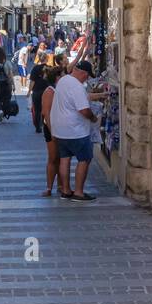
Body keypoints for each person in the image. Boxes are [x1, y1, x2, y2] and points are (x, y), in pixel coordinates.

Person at [50, 59, 99, 202]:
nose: (87, 78)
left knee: (65, 159)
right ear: (82, 73)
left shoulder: (63, 80)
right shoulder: (77, 87)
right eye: (87, 75)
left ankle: (65, 190)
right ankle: (78, 192)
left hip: (60, 130)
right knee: (85, 159)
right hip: (76, 131)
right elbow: (84, 110)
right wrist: (93, 118)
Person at [39, 64, 63, 196]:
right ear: (57, 77)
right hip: (52, 128)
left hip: (61, 128)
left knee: (62, 158)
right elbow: (45, 113)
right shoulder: (49, 91)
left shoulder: (60, 90)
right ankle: (49, 188)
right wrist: (52, 130)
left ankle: (61, 185)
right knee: (53, 158)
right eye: (63, 75)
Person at [0, 46, 16, 122]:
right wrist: (13, 85)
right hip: (7, 84)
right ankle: (4, 114)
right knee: (6, 100)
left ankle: (0, 110)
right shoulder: (7, 63)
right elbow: (11, 75)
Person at [28, 49, 51, 133]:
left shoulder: (35, 68)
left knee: (37, 109)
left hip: (37, 91)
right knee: (47, 109)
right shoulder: (50, 68)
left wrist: (28, 91)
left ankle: (38, 127)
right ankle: (46, 125)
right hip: (47, 91)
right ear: (47, 58)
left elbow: (32, 81)